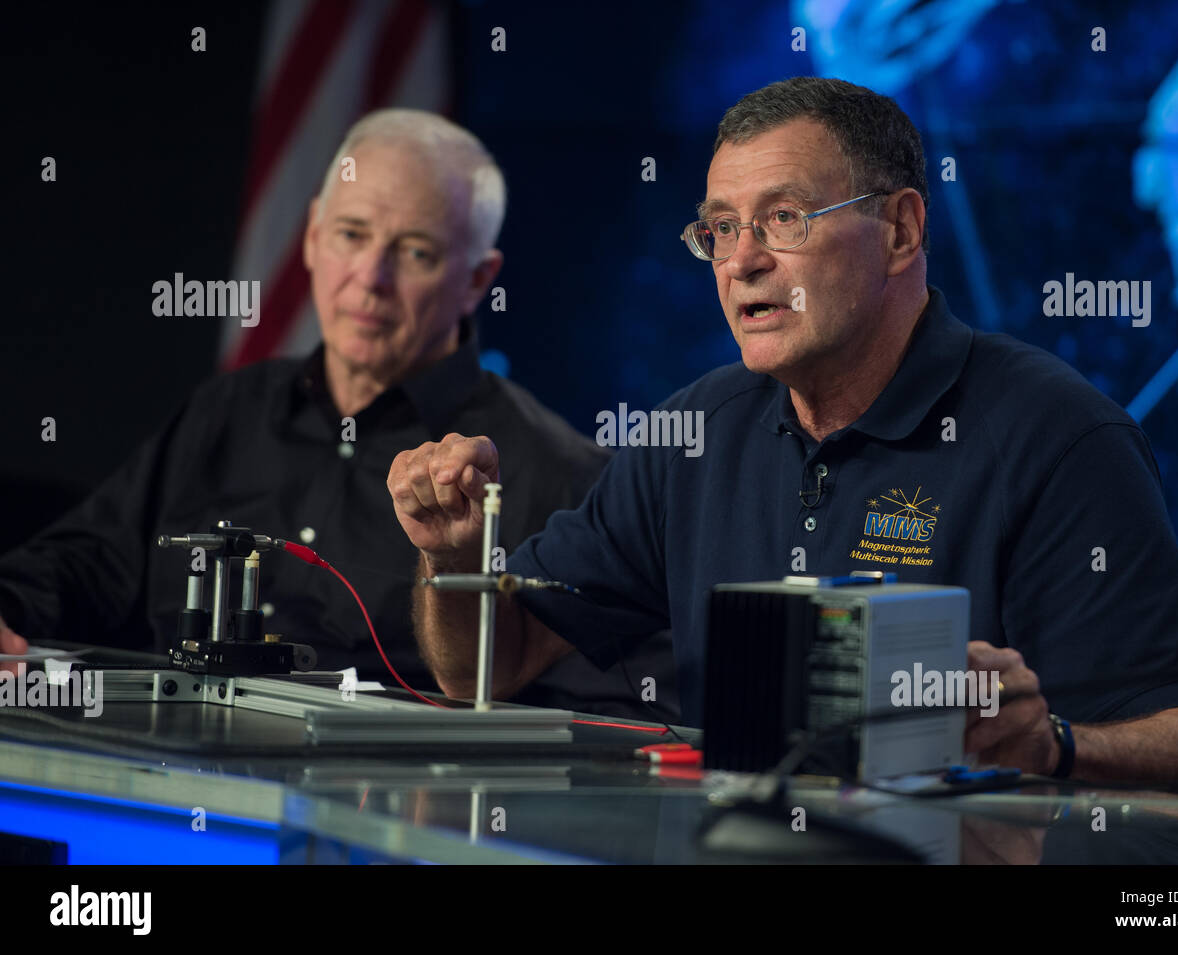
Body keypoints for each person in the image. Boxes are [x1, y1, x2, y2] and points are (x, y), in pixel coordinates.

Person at [389, 78, 1178, 779]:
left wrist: (1053, 744)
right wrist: (453, 558)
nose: (742, 260)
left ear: (900, 231)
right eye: (720, 228)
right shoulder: (695, 429)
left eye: (785, 217)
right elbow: (480, 668)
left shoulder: (1057, 436)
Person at [0, 109, 674, 719]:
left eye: (415, 252)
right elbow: (87, 561)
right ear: (313, 235)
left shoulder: (558, 472)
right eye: (352, 234)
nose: (370, 277)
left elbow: (610, 719)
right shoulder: (227, 409)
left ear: (476, 280)